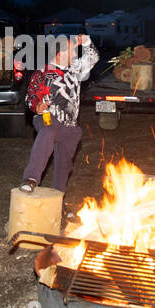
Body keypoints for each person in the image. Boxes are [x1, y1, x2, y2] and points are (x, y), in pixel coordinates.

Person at [19, 34, 99, 193]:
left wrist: (87, 41)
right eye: (72, 51)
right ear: (60, 53)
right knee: (48, 132)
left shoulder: (75, 70)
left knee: (63, 167)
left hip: (70, 126)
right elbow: (30, 96)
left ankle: (58, 205)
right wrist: (37, 106)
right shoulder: (42, 73)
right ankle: (31, 177)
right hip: (48, 118)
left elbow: (94, 57)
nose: (76, 54)